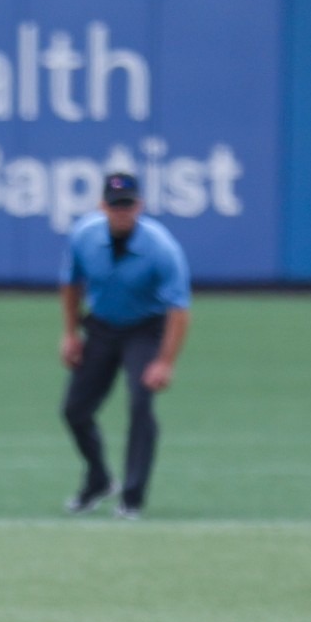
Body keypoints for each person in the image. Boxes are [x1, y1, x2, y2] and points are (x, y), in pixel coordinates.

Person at [57, 172, 192, 520]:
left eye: (128, 205)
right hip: (101, 327)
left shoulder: (161, 248)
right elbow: (71, 285)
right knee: (75, 410)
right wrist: (71, 334)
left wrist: (164, 361)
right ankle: (99, 478)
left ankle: (132, 496)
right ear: (103, 206)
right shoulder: (85, 236)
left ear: (140, 206)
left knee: (140, 404)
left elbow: (179, 309)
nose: (122, 212)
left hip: (144, 329)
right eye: (115, 206)